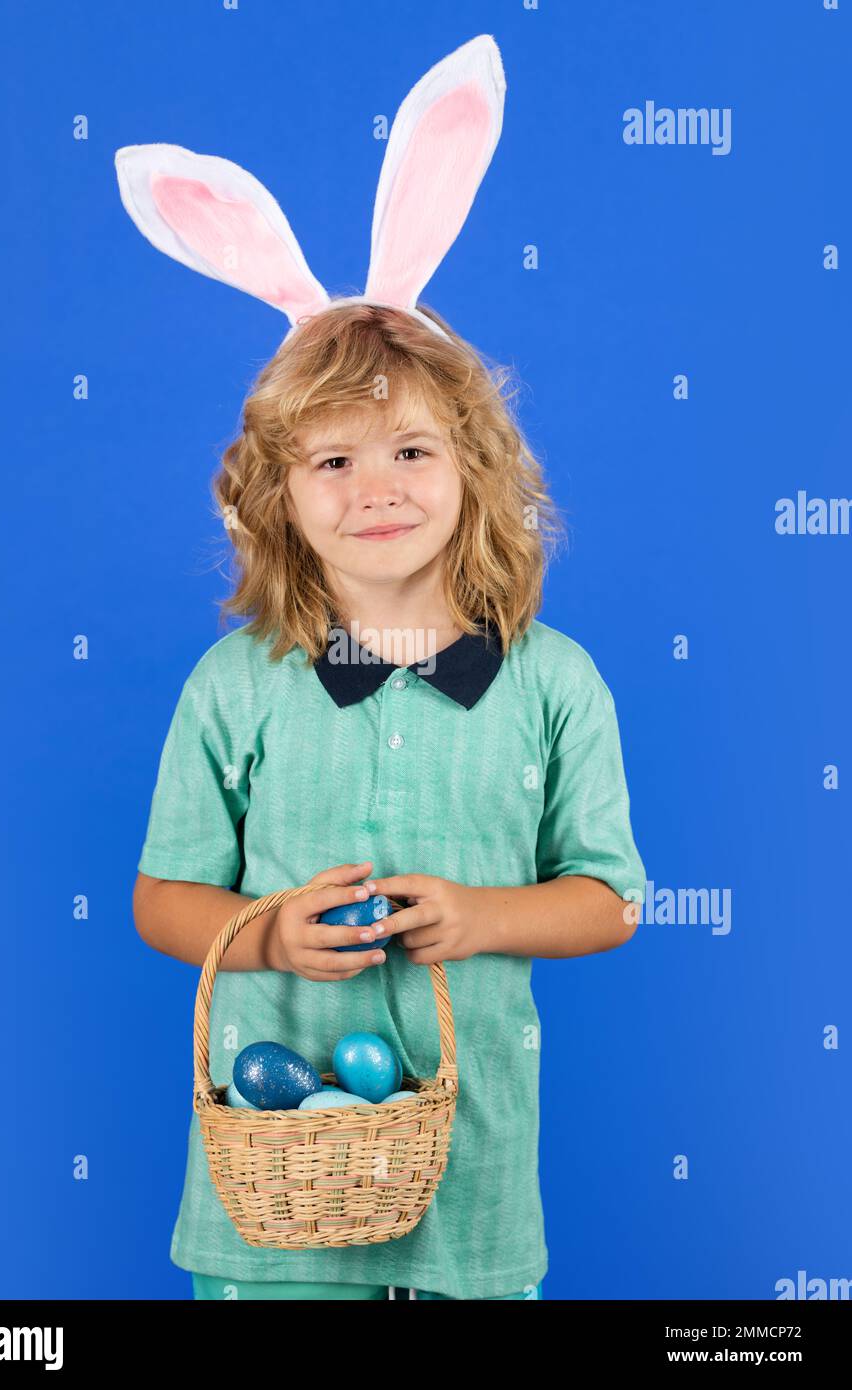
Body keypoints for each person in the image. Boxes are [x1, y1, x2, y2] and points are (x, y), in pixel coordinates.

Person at [133, 299, 646, 1300]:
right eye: (333, 462)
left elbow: (611, 900)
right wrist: (271, 935)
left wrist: (484, 914)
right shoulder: (233, 685)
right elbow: (163, 899)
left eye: (410, 450)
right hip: (275, 1201)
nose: (376, 488)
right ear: (277, 493)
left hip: (472, 1192)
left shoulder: (556, 683)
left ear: (473, 470)